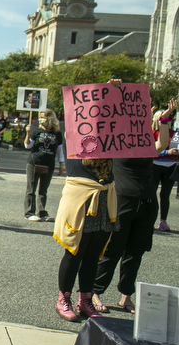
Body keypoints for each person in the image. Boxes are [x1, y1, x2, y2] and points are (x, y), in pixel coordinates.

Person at [91, 149, 158, 315]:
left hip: (146, 201)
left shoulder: (146, 141)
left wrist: (164, 121)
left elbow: (162, 143)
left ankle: (126, 295)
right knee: (113, 249)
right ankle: (95, 292)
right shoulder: (120, 141)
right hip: (122, 200)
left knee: (135, 253)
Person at [52, 155, 118, 321]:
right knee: (75, 252)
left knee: (93, 255)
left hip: (104, 198)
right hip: (82, 197)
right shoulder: (76, 133)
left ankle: (85, 300)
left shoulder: (108, 136)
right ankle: (64, 299)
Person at [24, 109, 64, 222]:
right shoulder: (36, 131)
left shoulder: (57, 133)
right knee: (31, 189)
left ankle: (42, 212)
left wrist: (61, 164)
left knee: (43, 190)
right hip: (34, 162)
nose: (41, 120)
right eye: (40, 117)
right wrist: (27, 133)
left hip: (49, 164)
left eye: (43, 117)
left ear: (51, 118)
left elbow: (60, 150)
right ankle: (29, 212)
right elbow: (28, 145)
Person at [151, 102, 179, 231]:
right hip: (155, 166)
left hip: (170, 166)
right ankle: (150, 219)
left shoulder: (174, 133)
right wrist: (166, 152)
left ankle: (163, 221)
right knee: (151, 194)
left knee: (165, 195)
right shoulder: (152, 132)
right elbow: (151, 151)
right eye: (163, 117)